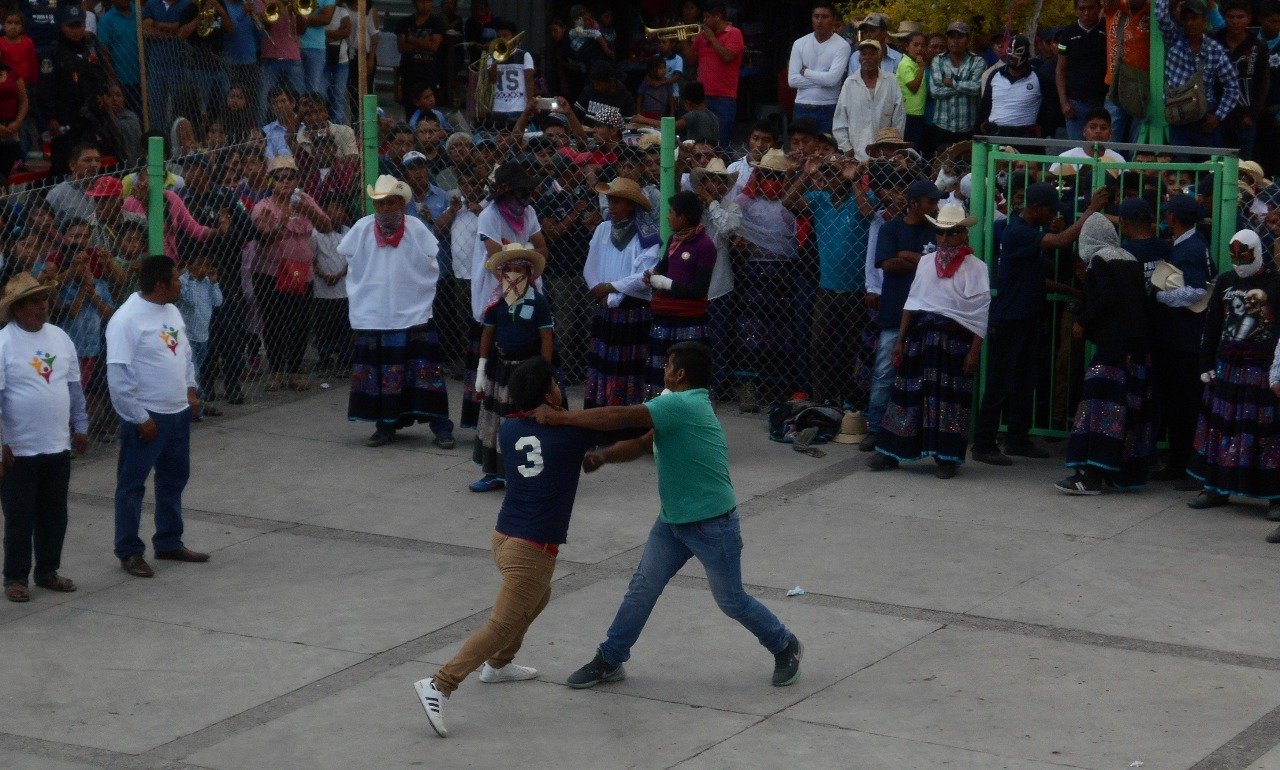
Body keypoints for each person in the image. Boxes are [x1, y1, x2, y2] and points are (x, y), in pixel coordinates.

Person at [531, 341, 803, 690]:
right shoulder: (680, 407)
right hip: (673, 521)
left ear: (680, 374)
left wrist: (560, 417)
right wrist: (604, 457)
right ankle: (610, 658)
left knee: (732, 601)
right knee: (641, 589)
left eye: (667, 366)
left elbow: (620, 416)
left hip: (712, 524)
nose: (663, 371)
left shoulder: (681, 404)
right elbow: (645, 443)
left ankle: (784, 645)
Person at [412, 356, 606, 739]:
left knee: (538, 599)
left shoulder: (511, 427)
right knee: (502, 623)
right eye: (555, 385)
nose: (560, 390)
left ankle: (498, 665)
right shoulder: (569, 435)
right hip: (531, 550)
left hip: (504, 538)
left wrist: (561, 417)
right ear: (547, 396)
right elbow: (613, 422)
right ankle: (439, 684)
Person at [973, 183, 1108, 466]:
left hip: (1026, 317)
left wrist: (1070, 291)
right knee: (1000, 383)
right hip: (1010, 319)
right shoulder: (1019, 232)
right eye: (1049, 210)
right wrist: (1091, 210)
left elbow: (1034, 278)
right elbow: (1060, 242)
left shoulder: (1027, 233)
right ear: (1035, 208)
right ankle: (984, 444)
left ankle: (1017, 439)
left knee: (1025, 381)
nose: (1052, 215)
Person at [869, 203, 988, 478]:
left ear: (964, 235)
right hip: (921, 337)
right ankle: (892, 452)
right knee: (907, 395)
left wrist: (974, 351)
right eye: (941, 233)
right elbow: (913, 301)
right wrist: (900, 340)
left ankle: (946, 458)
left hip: (954, 340)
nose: (945, 239)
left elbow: (980, 312)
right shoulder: (925, 262)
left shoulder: (976, 268)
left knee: (949, 399)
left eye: (952, 233)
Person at [106, 255, 207, 579]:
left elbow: (185, 355)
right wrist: (138, 417)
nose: (181, 282)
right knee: (132, 486)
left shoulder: (172, 311)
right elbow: (118, 378)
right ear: (161, 284)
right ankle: (129, 551)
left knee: (174, 480)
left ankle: (168, 540)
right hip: (147, 420)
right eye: (177, 278)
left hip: (177, 415)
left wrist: (190, 390)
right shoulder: (127, 320)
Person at [339, 174, 456, 450]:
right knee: (385, 373)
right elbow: (349, 260)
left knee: (426, 371)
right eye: (380, 204)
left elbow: (431, 261)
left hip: (411, 310)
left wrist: (417, 291)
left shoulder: (415, 228)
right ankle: (386, 425)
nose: (385, 209)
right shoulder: (362, 228)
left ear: (401, 203)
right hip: (376, 312)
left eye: (391, 203)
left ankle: (441, 426)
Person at [0, 272, 87, 602]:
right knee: (20, 516)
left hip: (56, 445)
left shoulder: (60, 338)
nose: (43, 305)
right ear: (18, 308)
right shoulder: (4, 343)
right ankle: (16, 578)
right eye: (36, 301)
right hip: (18, 449)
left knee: (54, 513)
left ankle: (47, 571)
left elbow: (74, 388)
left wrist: (81, 427)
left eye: (45, 299)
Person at [1055, 213, 1154, 494]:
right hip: (1136, 353)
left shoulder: (1099, 260)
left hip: (1112, 351)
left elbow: (1105, 298)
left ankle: (1090, 476)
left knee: (1098, 412)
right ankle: (1122, 475)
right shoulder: (1130, 259)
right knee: (1126, 413)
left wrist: (1082, 321)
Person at [1187, 230, 1280, 514]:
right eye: (1234, 256)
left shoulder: (1275, 283)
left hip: (1262, 370)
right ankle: (1215, 488)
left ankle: (1276, 497)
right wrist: (1206, 363)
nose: (1239, 262)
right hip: (1227, 367)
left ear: (1258, 252)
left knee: (1267, 434)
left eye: (1245, 255)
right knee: (1221, 430)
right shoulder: (1226, 281)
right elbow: (1212, 324)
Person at [863, 179, 943, 454]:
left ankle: (913, 431)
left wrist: (907, 255)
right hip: (895, 310)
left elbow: (938, 265)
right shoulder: (890, 228)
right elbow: (888, 264)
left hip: (928, 313)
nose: (935, 206)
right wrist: (921, 261)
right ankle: (875, 428)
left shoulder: (936, 231)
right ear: (914, 203)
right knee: (885, 370)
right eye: (930, 201)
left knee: (922, 374)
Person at [471, 243, 553, 492]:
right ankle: (493, 472)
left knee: (524, 421)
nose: (513, 275)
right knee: (494, 420)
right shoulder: (496, 304)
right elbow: (487, 336)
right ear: (501, 274)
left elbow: (546, 340)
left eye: (519, 270)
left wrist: (545, 376)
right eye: (508, 270)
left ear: (529, 275)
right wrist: (481, 370)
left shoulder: (538, 303)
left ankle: (523, 474)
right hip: (500, 369)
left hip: (528, 370)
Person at [249, 154, 333, 393]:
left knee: (299, 322)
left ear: (297, 179)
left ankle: (294, 371)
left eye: (290, 177)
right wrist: (280, 222)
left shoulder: (304, 200)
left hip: (300, 273)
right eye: (279, 178)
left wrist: (308, 209)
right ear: (271, 181)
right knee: (273, 321)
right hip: (271, 273)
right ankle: (276, 370)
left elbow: (326, 225)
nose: (285, 182)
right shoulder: (263, 206)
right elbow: (263, 238)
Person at [1151, 193, 1213, 483]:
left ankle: (1185, 466)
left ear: (1174, 217)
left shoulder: (1190, 247)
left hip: (1183, 341)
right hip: (1181, 339)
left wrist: (1162, 297)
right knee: (1179, 404)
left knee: (1183, 406)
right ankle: (1179, 461)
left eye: (1167, 214)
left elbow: (1197, 291)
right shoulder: (1189, 243)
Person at [583, 177, 659, 408]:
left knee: (628, 367)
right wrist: (602, 292)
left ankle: (626, 417)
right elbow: (591, 267)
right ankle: (600, 411)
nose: (610, 207)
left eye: (617, 202)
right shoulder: (603, 229)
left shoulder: (647, 235)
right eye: (609, 201)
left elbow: (644, 275)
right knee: (603, 364)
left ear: (631, 205)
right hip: (605, 306)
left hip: (632, 310)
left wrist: (612, 290)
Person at [644, 191, 714, 398]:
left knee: (686, 375)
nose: (667, 217)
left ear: (682, 217)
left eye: (671, 213)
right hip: (665, 319)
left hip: (688, 322)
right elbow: (662, 269)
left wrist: (666, 283)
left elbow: (699, 289)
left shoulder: (705, 246)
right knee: (660, 373)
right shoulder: (674, 240)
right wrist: (651, 276)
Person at [1156, 0, 1240, 147]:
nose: (1190, 23)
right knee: (1180, 167)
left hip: (1205, 121)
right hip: (1178, 117)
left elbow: (1232, 87)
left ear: (1204, 20)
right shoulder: (1174, 39)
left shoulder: (1214, 49)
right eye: (1186, 19)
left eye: (1194, 18)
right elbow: (1162, 15)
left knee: (1210, 166)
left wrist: (1218, 116)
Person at [680, 1, 744, 147]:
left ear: (718, 17)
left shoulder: (734, 33)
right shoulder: (702, 36)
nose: (704, 21)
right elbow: (691, 60)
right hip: (703, 97)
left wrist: (712, 39)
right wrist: (684, 42)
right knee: (701, 140)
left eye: (707, 17)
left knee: (722, 141)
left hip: (725, 97)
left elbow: (727, 56)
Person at [834, 40, 905, 161]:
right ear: (859, 58)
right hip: (856, 152)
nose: (867, 58)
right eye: (864, 54)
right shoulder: (850, 83)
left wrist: (894, 145)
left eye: (872, 54)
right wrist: (846, 148)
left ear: (880, 57)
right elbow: (840, 119)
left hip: (885, 155)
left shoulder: (891, 81)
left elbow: (899, 117)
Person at [787, 1, 851, 136]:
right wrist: (824, 77)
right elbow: (792, 81)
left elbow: (832, 80)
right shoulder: (799, 43)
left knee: (825, 151)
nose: (819, 21)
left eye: (824, 17)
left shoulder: (842, 46)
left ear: (833, 19)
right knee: (800, 152)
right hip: (802, 105)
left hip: (828, 107)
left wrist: (806, 72)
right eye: (816, 16)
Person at [1216, 0, 1269, 160]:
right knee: (1218, 162)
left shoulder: (1257, 46)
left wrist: (1252, 115)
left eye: (1240, 17)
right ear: (1225, 17)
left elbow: (1262, 84)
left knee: (1244, 164)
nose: (1235, 21)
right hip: (1218, 115)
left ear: (1248, 18)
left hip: (1245, 116)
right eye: (1231, 17)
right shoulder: (1214, 41)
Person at [978, 34, 1050, 137]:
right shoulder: (995, 75)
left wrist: (1044, 129)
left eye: (1018, 51)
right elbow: (985, 105)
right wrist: (980, 129)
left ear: (1026, 54)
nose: (1013, 55)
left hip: (1025, 135)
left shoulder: (1038, 77)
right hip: (996, 133)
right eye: (1010, 50)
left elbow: (1050, 106)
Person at [1056, 0, 1108, 141]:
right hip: (1076, 104)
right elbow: (1060, 68)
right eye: (1082, 8)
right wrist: (1064, 102)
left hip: (1104, 101)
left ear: (1099, 8)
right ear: (1076, 10)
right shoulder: (1067, 33)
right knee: (1078, 151)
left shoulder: (1108, 28)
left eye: (1090, 8)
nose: (1086, 12)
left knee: (1103, 151)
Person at [928, 21, 985, 149]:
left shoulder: (978, 61)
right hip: (942, 125)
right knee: (941, 165)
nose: (955, 41)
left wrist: (952, 83)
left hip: (967, 126)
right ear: (947, 39)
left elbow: (976, 89)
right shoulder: (938, 60)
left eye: (960, 36)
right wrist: (963, 87)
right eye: (952, 37)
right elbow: (935, 91)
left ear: (968, 39)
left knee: (967, 166)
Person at [896, 31, 928, 144]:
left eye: (922, 46)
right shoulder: (905, 64)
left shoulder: (915, 63)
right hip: (909, 113)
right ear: (907, 47)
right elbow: (914, 87)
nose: (919, 49)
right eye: (915, 45)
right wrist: (922, 67)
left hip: (918, 112)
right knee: (910, 147)